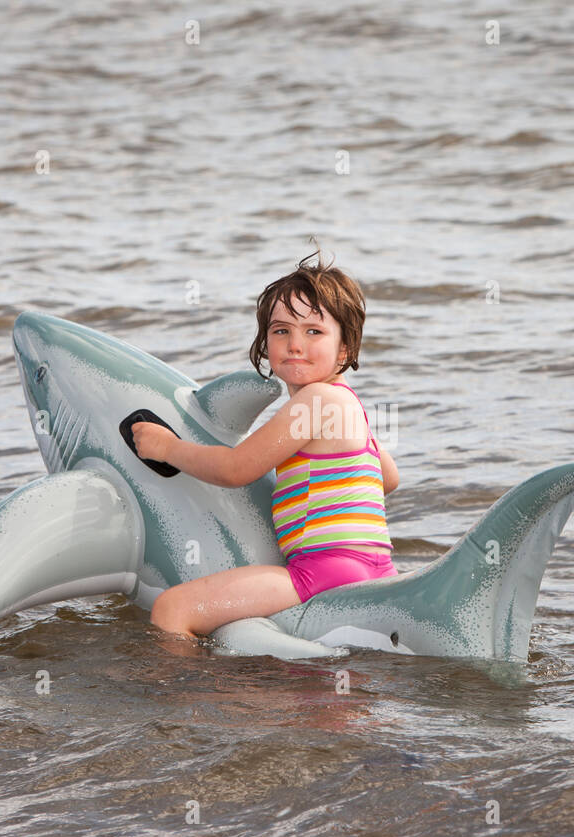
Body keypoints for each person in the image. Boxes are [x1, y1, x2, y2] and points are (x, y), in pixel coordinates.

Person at [130, 245, 400, 639]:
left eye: (313, 331)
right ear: (265, 342)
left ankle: (188, 696)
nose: (295, 344)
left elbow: (236, 468)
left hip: (322, 570)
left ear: (345, 347)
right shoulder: (348, 405)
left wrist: (167, 448)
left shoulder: (316, 401)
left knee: (174, 608)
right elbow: (388, 478)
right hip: (374, 567)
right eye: (281, 331)